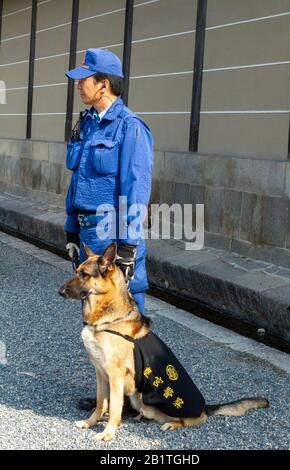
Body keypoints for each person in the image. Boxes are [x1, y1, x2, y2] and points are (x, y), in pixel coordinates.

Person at [64, 48, 154, 411]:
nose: (78, 86)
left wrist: (128, 247)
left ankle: (138, 397)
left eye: (83, 80)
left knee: (126, 319)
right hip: (88, 236)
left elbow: (136, 189)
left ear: (103, 85)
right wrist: (71, 229)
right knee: (97, 320)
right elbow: (78, 180)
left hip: (113, 240)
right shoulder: (88, 124)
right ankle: (109, 396)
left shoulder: (130, 128)